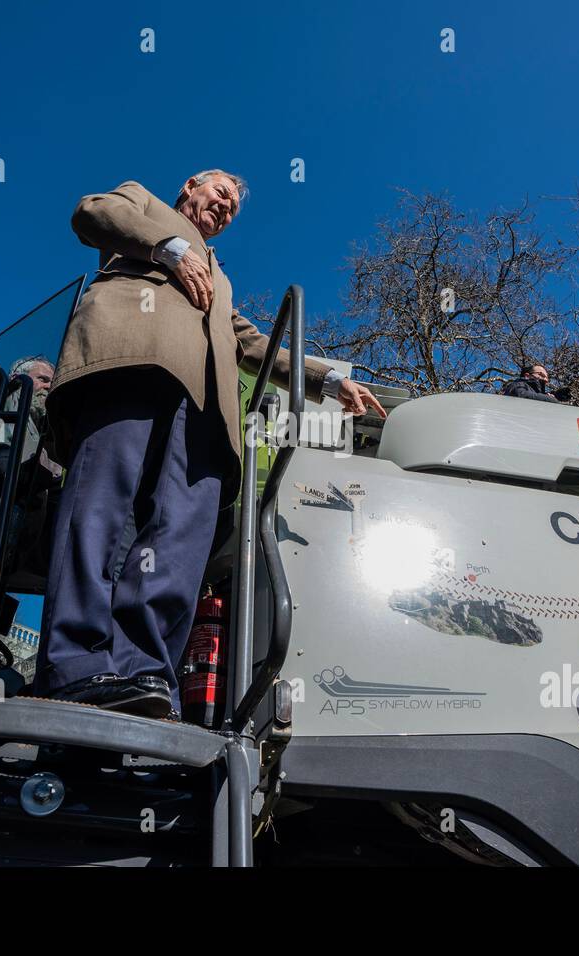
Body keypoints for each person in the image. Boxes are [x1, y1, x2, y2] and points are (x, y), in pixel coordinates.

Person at [34, 171, 386, 718]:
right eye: (220, 195)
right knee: (102, 513)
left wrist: (327, 381)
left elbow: (250, 342)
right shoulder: (144, 204)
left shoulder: (219, 278)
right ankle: (76, 666)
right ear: (191, 185)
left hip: (205, 408)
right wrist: (168, 249)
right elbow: (92, 212)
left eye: (232, 210)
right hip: (133, 363)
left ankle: (144, 672)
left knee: (178, 536)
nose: (223, 209)